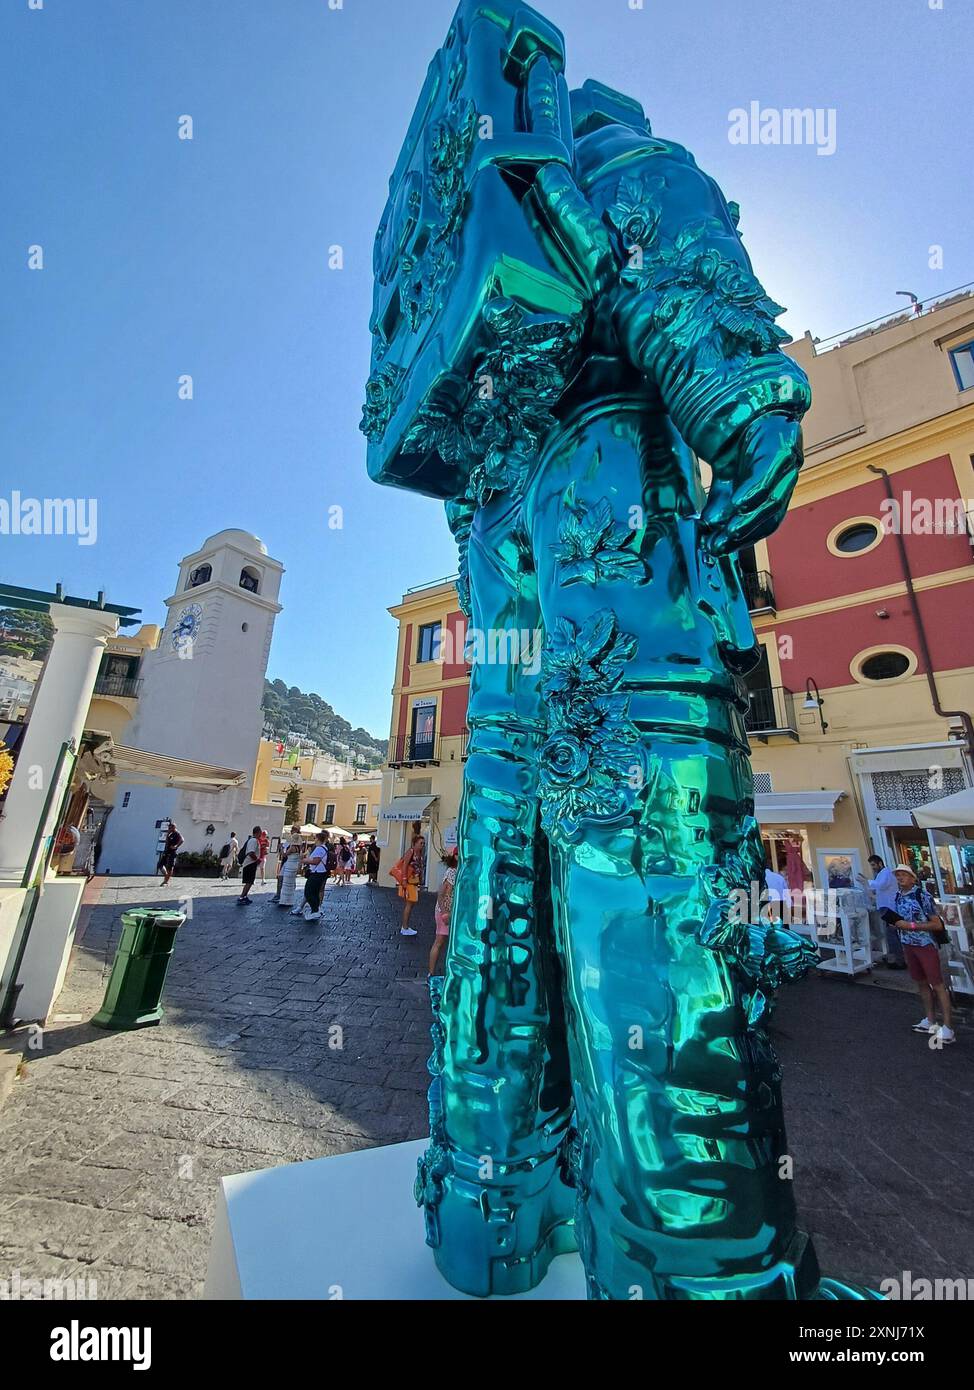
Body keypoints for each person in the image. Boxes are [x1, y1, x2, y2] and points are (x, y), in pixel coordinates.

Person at [887, 864, 954, 1045]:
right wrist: (897, 924)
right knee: (921, 983)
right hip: (908, 944)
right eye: (898, 876)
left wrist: (912, 926)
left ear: (912, 878)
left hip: (925, 944)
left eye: (903, 875)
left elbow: (937, 924)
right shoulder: (898, 896)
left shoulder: (922, 896)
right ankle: (930, 1020)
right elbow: (902, 919)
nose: (900, 878)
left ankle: (948, 1027)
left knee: (937, 984)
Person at [857, 855, 903, 968]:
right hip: (885, 907)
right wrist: (866, 884)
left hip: (890, 908)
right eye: (871, 865)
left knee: (892, 934)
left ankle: (899, 961)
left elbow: (879, 885)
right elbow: (876, 890)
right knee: (890, 934)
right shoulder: (880, 875)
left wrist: (866, 881)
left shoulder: (886, 873)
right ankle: (896, 959)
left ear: (880, 863)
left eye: (873, 865)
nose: (872, 867)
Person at [430, 848, 458, 976]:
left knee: (450, 943)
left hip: (453, 912)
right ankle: (431, 973)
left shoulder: (460, 872)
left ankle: (448, 973)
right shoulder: (451, 872)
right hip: (444, 911)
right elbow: (441, 894)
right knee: (440, 941)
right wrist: (445, 913)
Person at [292, 830, 329, 922]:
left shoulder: (319, 848)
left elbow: (315, 861)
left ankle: (315, 910)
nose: (314, 840)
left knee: (309, 891)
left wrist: (303, 860)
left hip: (317, 873)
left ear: (319, 839)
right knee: (314, 892)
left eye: (315, 838)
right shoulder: (324, 848)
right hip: (320, 872)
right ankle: (315, 910)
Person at [394, 832, 425, 936]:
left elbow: (419, 868)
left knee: (411, 904)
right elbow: (404, 865)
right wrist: (404, 880)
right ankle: (404, 927)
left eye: (423, 843)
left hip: (414, 881)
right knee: (409, 904)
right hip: (409, 881)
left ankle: (406, 926)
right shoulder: (410, 852)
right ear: (414, 843)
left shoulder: (419, 854)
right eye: (421, 843)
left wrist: (420, 879)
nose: (422, 845)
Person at [278, 825, 303, 910]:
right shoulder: (299, 847)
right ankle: (289, 900)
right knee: (290, 883)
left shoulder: (292, 847)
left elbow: (284, 854)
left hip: (289, 865)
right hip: (294, 865)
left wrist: (281, 849)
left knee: (286, 883)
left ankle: (284, 900)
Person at [237, 826, 262, 906]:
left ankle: (244, 896)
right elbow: (251, 852)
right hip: (250, 863)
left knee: (250, 881)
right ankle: (242, 897)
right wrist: (257, 860)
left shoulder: (253, 840)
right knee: (249, 881)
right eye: (260, 832)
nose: (261, 834)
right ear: (257, 832)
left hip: (251, 863)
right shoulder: (254, 841)